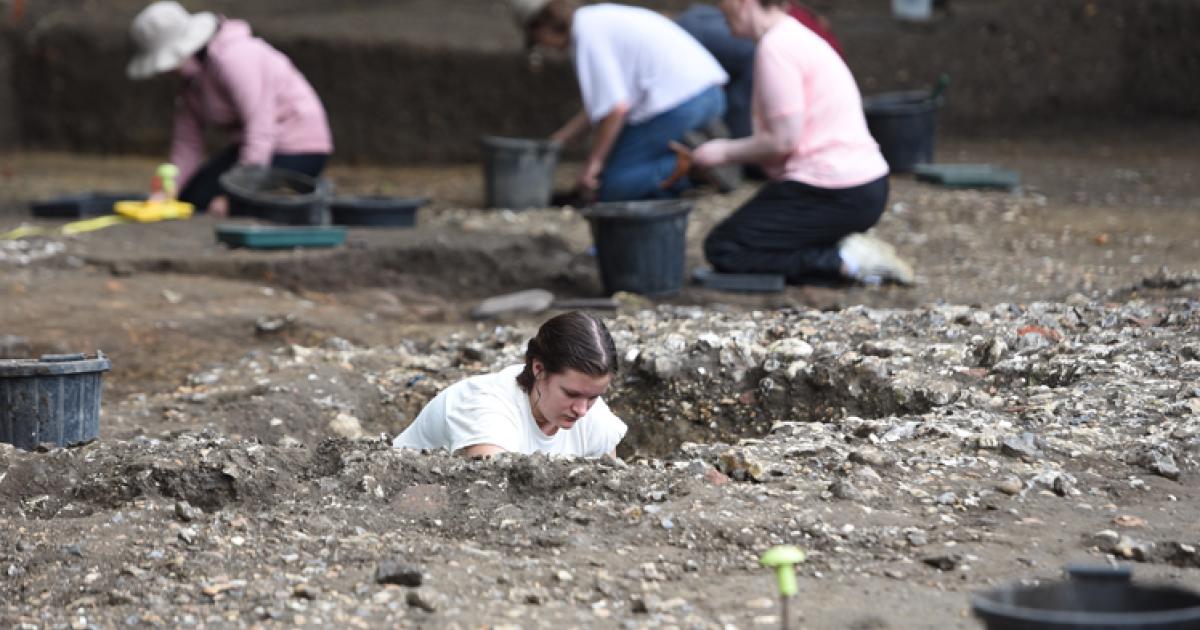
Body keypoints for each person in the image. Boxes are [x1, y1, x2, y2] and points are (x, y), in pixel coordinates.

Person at [693, 0, 915, 286]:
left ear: (743, 4)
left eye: (725, 11)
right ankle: (842, 249)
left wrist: (721, 151)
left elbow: (783, 140)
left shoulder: (776, 47)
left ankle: (847, 261)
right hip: (861, 184)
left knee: (727, 248)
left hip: (834, 189)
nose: (722, 18)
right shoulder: (794, 36)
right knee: (754, 233)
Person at [126, 1, 333, 215]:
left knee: (229, 208)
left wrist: (238, 195)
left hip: (297, 147)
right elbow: (187, 142)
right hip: (251, 149)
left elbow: (260, 126)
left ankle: (306, 199)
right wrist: (170, 190)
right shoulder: (191, 79)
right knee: (192, 199)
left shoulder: (235, 58)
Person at [513, 0, 731, 203]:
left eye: (536, 40)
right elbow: (603, 102)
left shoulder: (587, 34)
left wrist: (593, 165)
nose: (544, 47)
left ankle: (697, 164)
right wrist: (563, 138)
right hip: (706, 93)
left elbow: (615, 108)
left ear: (542, 25)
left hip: (682, 102)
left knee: (614, 188)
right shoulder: (594, 20)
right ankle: (691, 156)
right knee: (618, 167)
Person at [392, 311, 627, 458]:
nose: (582, 410)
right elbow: (492, 493)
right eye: (571, 393)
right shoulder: (486, 407)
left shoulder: (596, 419)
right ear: (539, 369)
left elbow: (607, 488)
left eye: (593, 397)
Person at [675, 2, 842, 142]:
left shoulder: (774, 43)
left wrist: (730, 151)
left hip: (698, 29)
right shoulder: (793, 27)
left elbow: (785, 141)